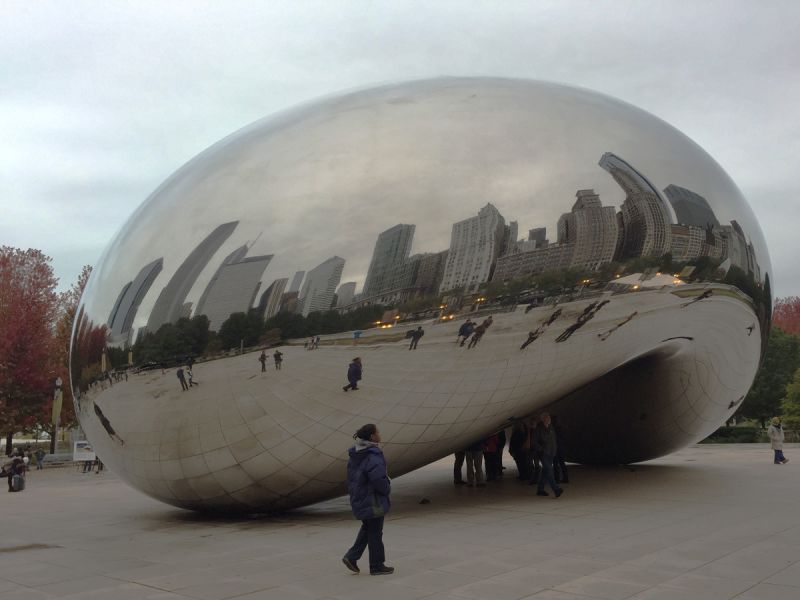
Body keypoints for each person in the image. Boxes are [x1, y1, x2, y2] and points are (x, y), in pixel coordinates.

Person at [343, 424, 394, 576]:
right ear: (372, 436)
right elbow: (378, 478)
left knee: (368, 528)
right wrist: (387, 489)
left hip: (361, 497)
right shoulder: (372, 454)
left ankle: (351, 557)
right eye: (377, 432)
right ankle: (377, 565)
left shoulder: (357, 453)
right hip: (374, 501)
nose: (379, 433)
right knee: (375, 532)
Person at [533, 413, 563, 498]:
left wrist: (555, 450)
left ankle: (540, 489)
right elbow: (535, 442)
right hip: (543, 454)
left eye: (549, 417)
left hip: (551, 453)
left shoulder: (551, 428)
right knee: (549, 470)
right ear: (543, 419)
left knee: (545, 472)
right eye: (547, 418)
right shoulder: (538, 429)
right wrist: (542, 450)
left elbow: (554, 440)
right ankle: (556, 489)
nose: (549, 419)